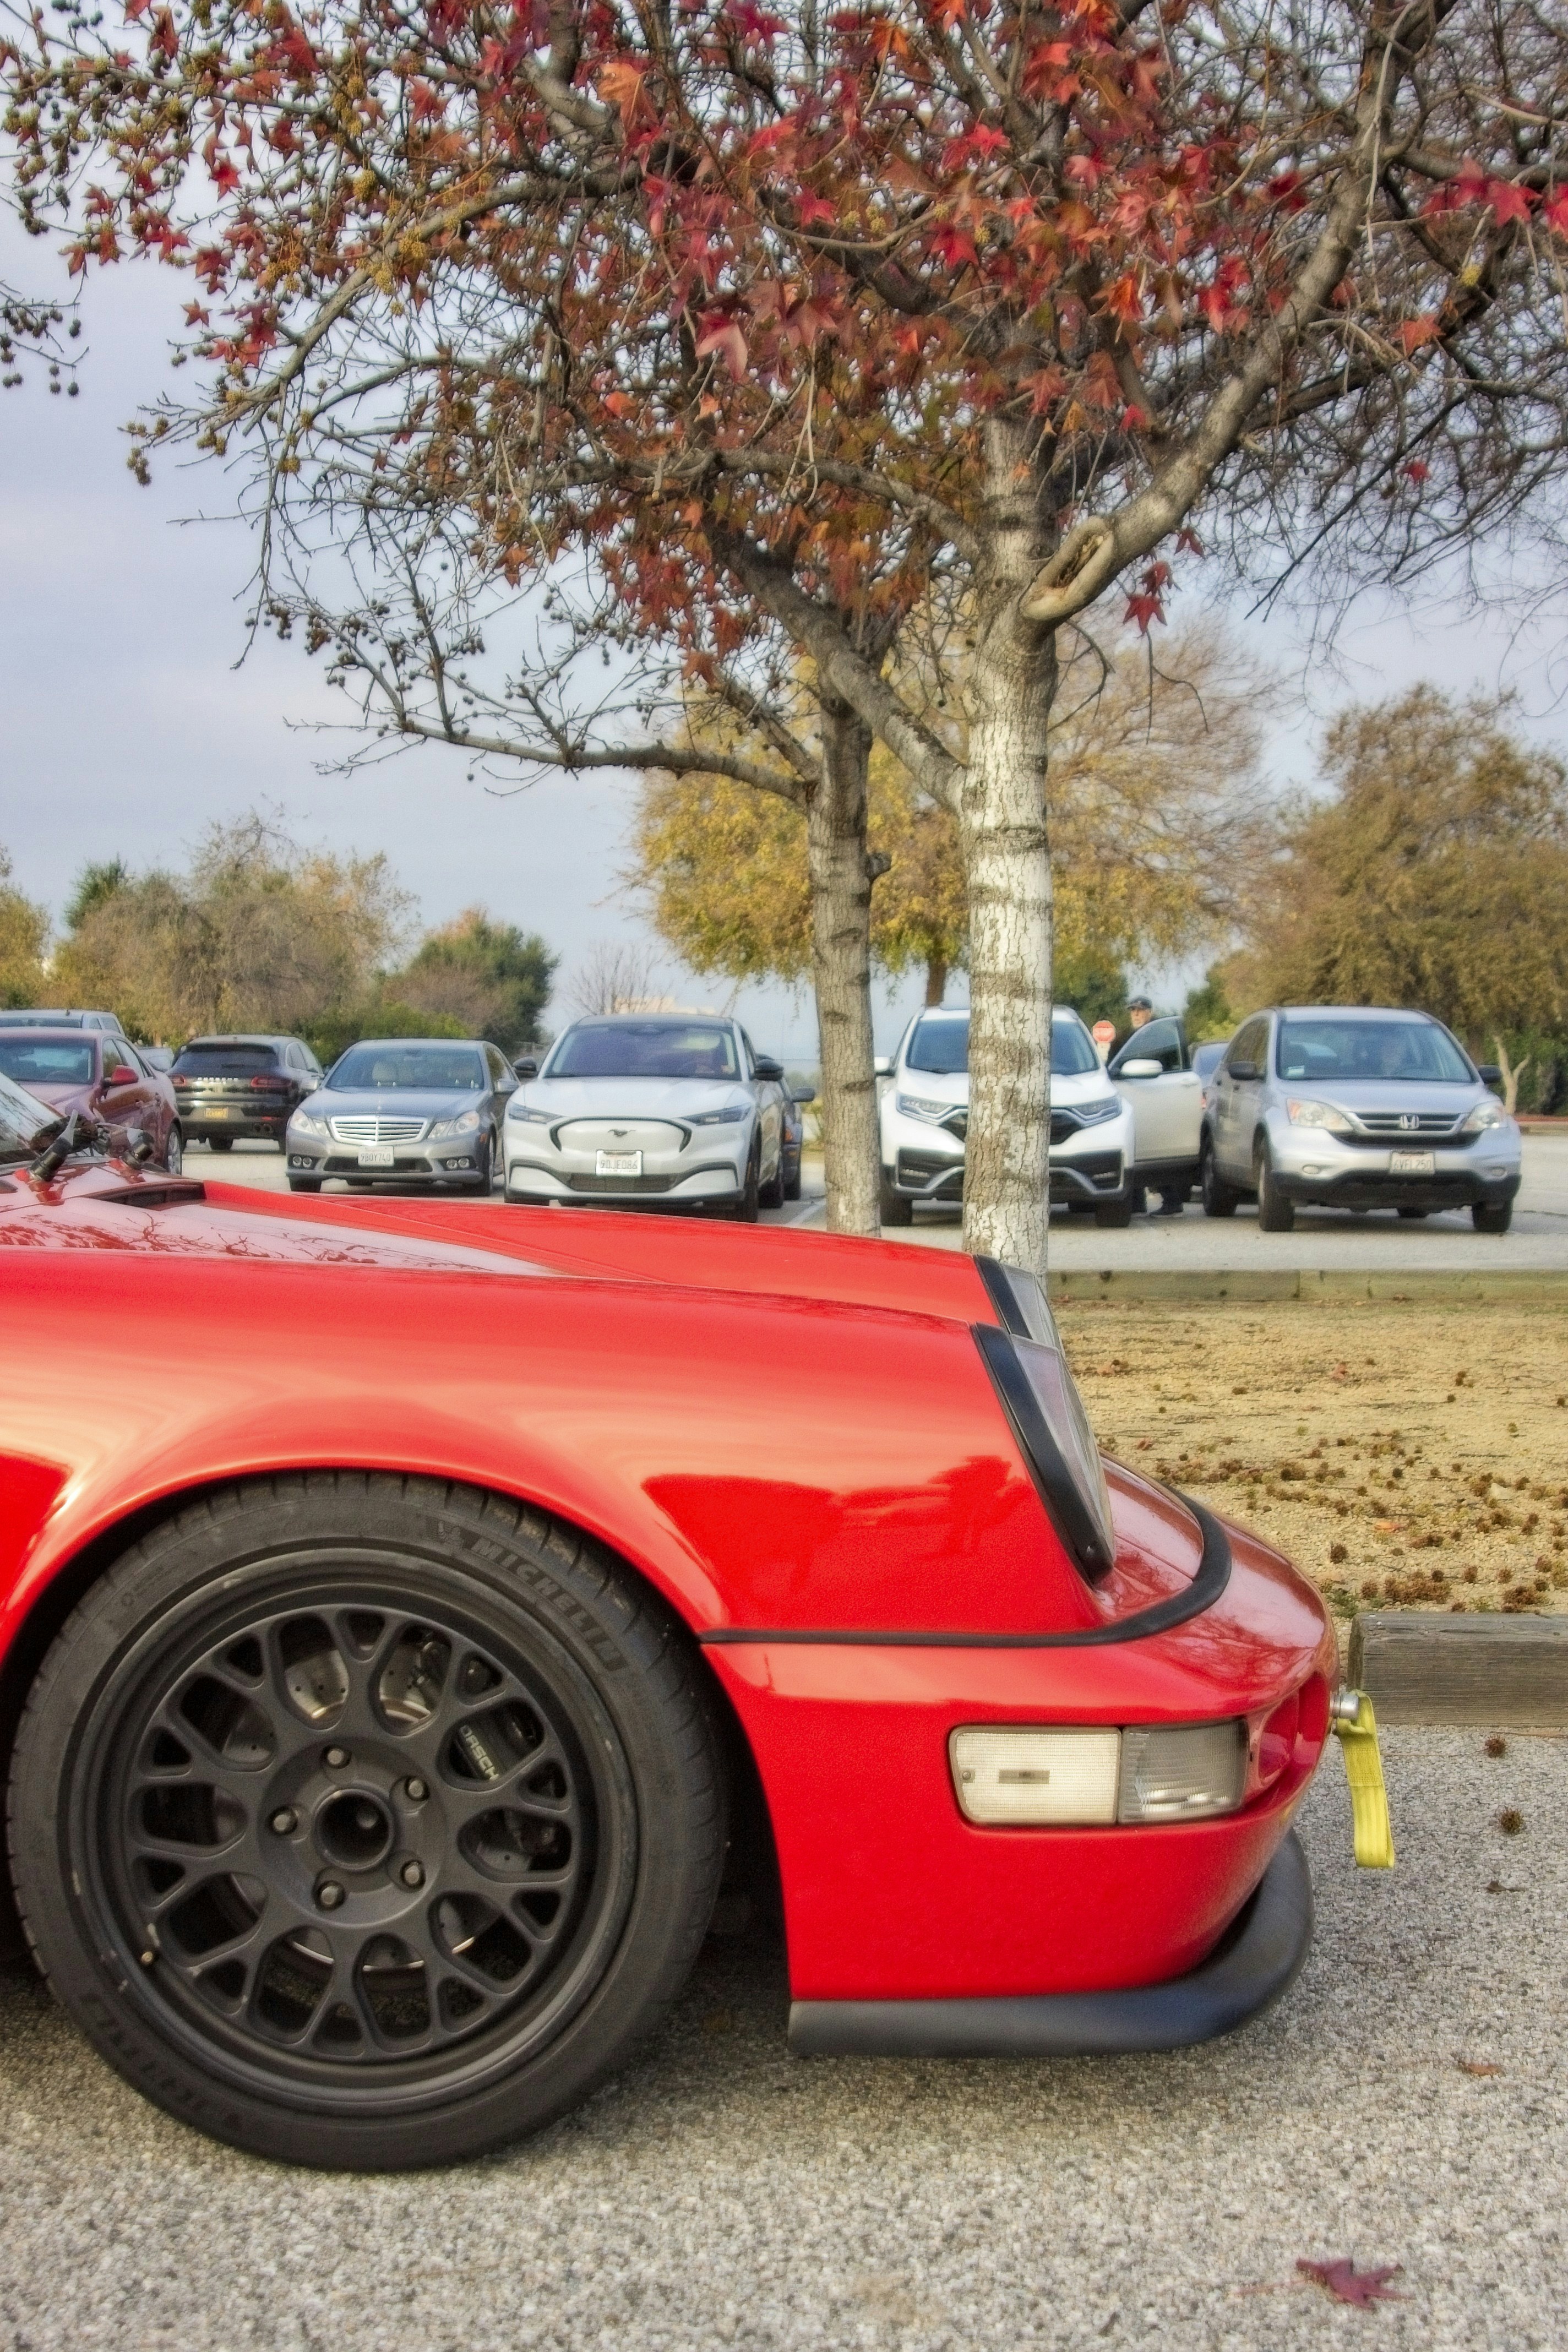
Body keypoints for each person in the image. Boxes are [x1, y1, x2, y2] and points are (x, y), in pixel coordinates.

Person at [1121, 998, 1186, 1219]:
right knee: (1134, 1147)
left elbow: (1167, 1068)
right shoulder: (1129, 1038)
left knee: (1156, 1150)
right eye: (1133, 1011)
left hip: (1157, 1099)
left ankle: (1172, 1200)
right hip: (1134, 1099)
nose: (1136, 1014)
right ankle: (1136, 1201)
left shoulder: (1160, 1037)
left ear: (1150, 1012)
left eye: (1140, 1010)